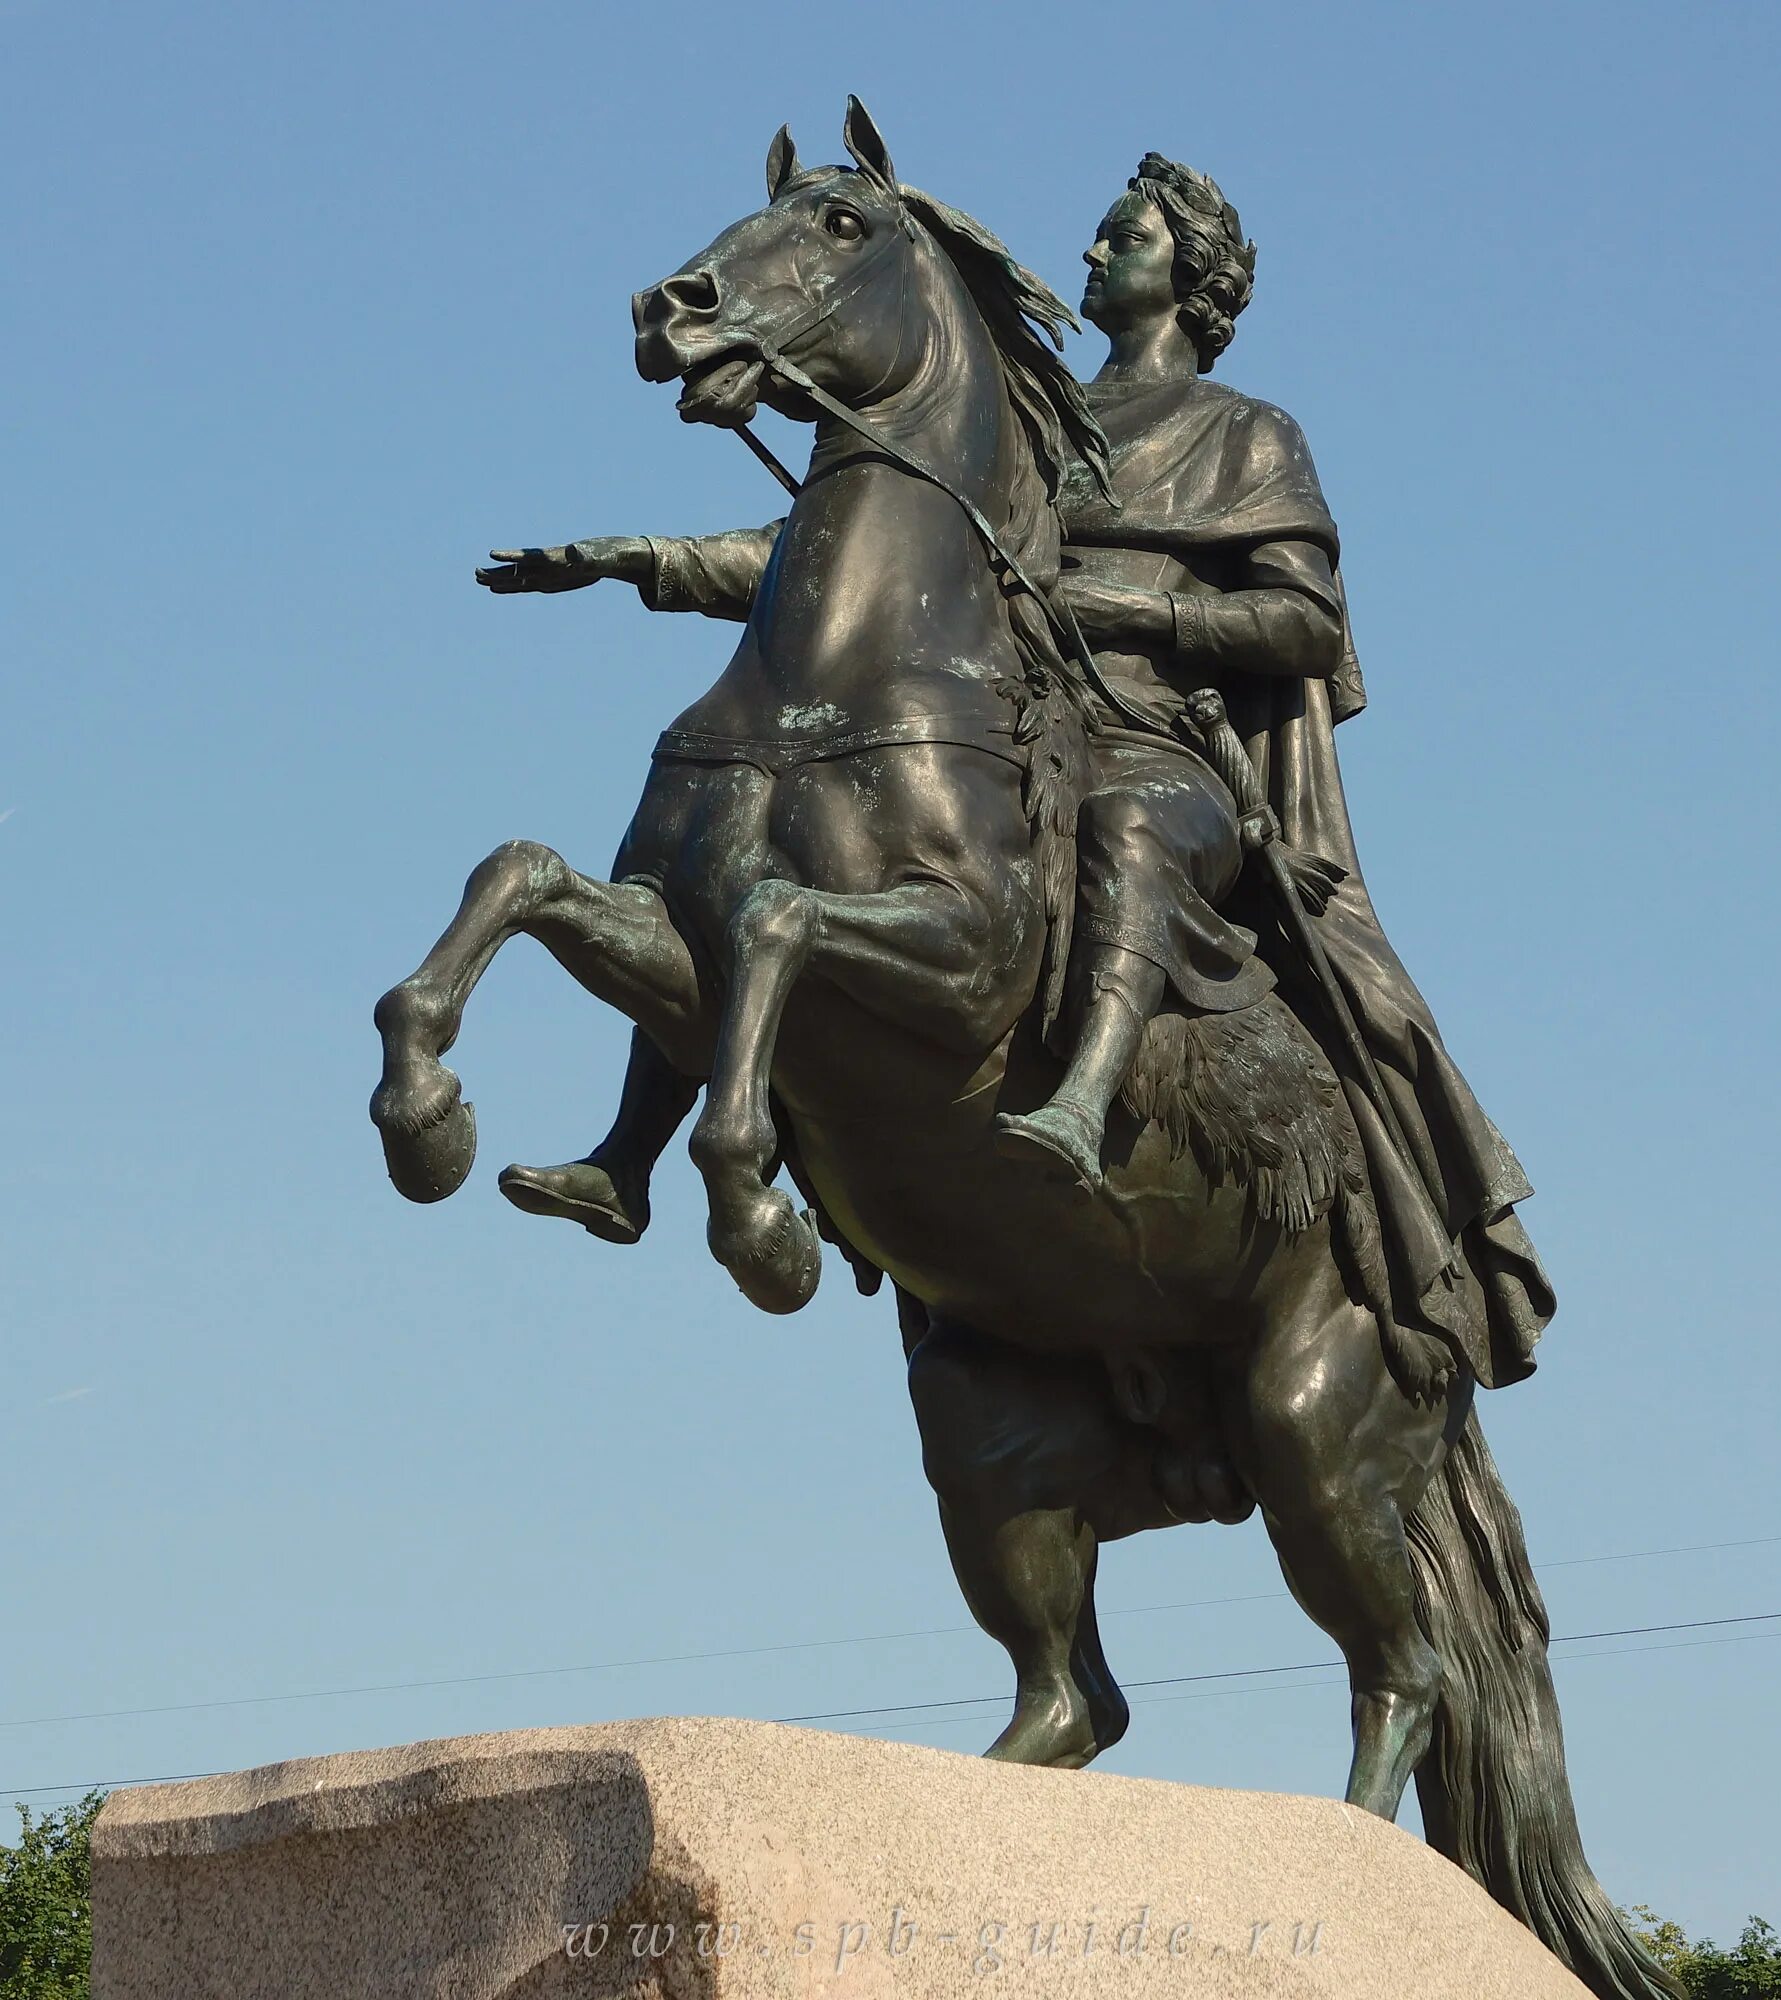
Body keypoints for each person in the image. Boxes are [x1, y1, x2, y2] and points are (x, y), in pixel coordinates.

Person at [481, 152, 1553, 1391]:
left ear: (1191, 279)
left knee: (1127, 825)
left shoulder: (1247, 435)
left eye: (1123, 238)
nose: (1093, 255)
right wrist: (647, 559)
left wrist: (1136, 608)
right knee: (741, 811)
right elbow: (847, 555)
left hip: (1159, 741)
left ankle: (1084, 1102)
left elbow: (1305, 628)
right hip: (1011, 713)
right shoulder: (1036, 425)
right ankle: (637, 1150)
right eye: (1102, 239)